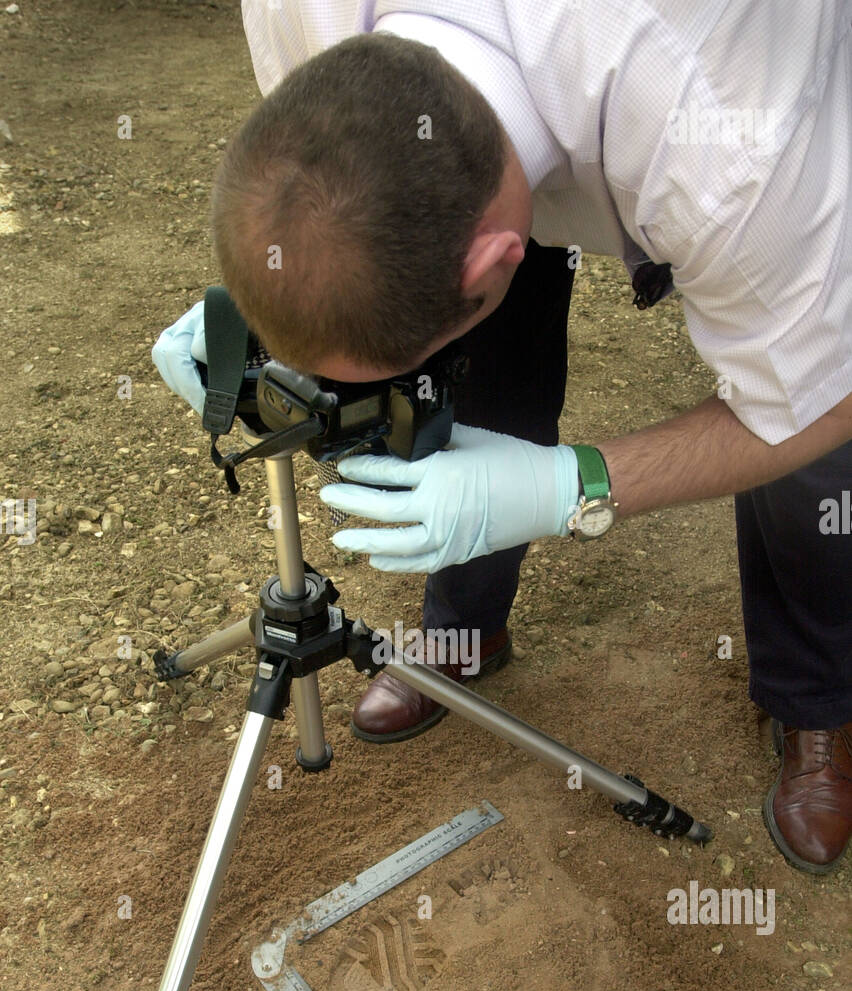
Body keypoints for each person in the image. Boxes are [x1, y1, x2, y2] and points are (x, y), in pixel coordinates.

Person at [153, 1, 852, 875]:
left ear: (497, 260)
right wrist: (277, 312)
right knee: (465, 348)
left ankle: (815, 698)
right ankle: (463, 632)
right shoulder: (302, 14)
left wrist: (571, 485)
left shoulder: (737, 149)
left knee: (811, 453)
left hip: (723, 106)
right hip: (525, 158)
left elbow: (822, 396)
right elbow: (339, 196)